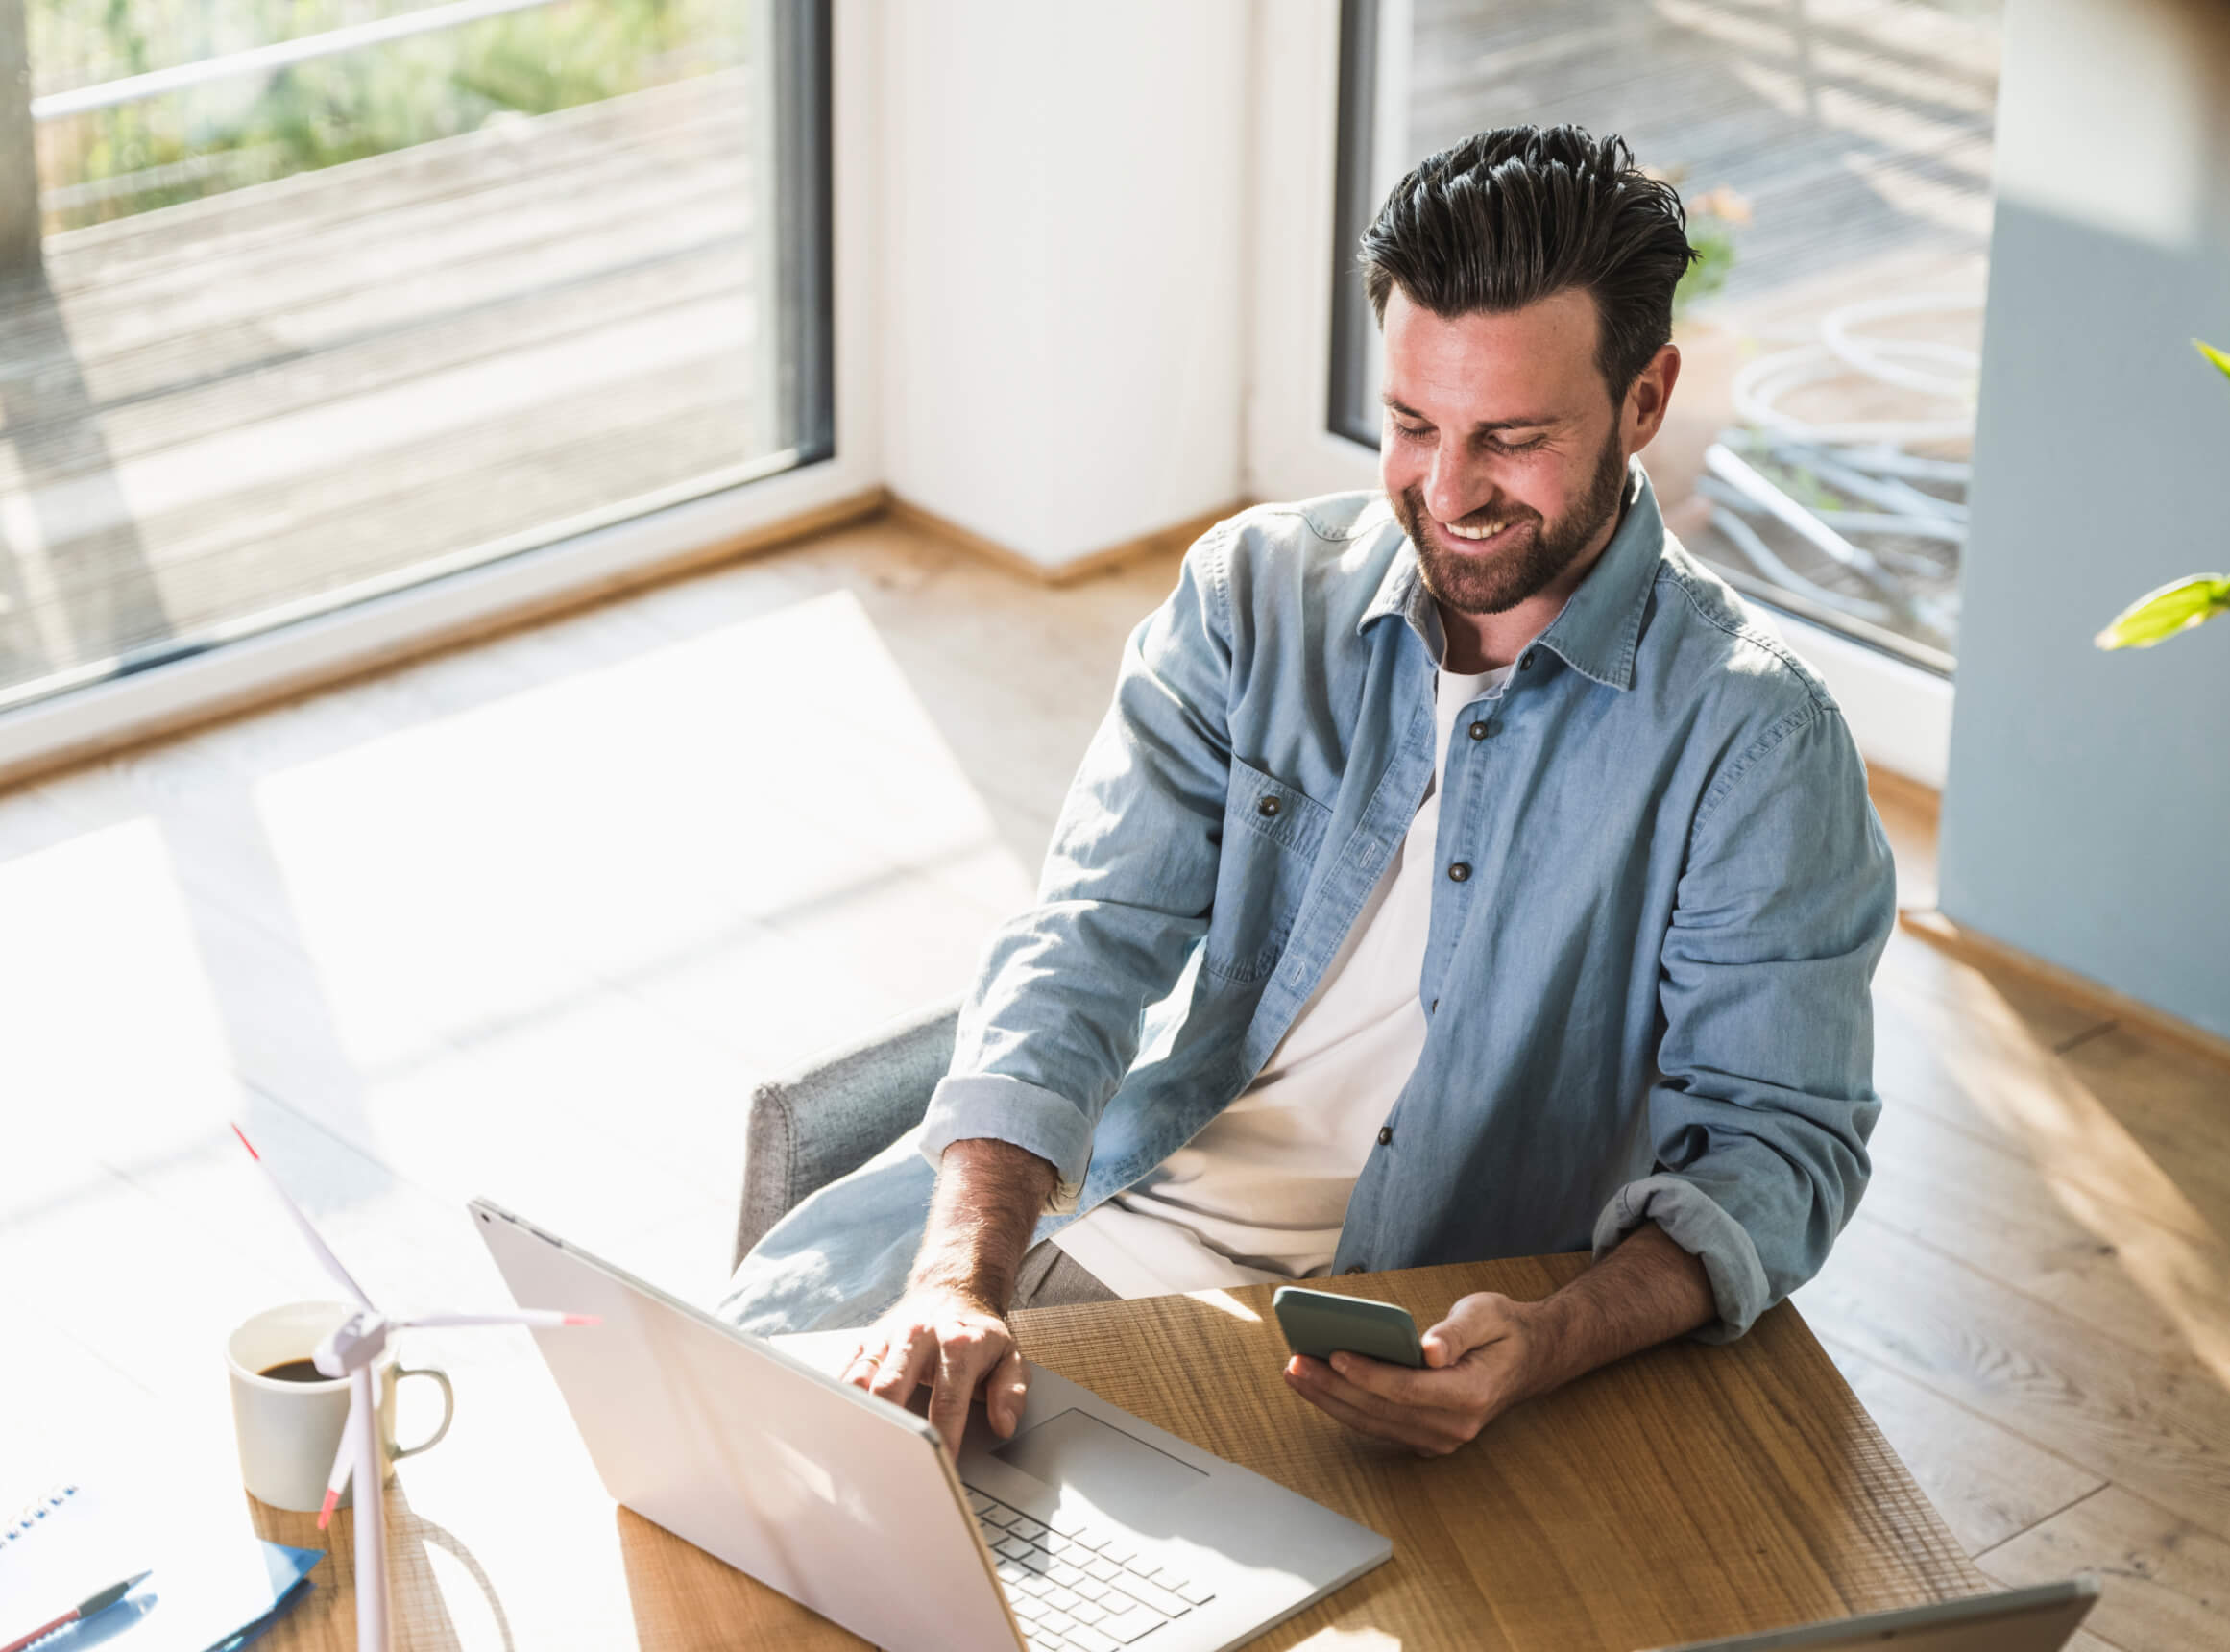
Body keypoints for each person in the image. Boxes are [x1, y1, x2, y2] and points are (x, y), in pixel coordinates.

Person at [723, 124, 1895, 1461]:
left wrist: (1552, 1335)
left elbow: (1773, 1150)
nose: (1446, 492)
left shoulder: (1757, 742)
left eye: (1512, 439)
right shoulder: (1252, 597)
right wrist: (954, 1277)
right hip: (1078, 1222)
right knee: (721, 1484)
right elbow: (1088, 943)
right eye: (1411, 425)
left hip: (1367, 1356)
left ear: (1644, 398)